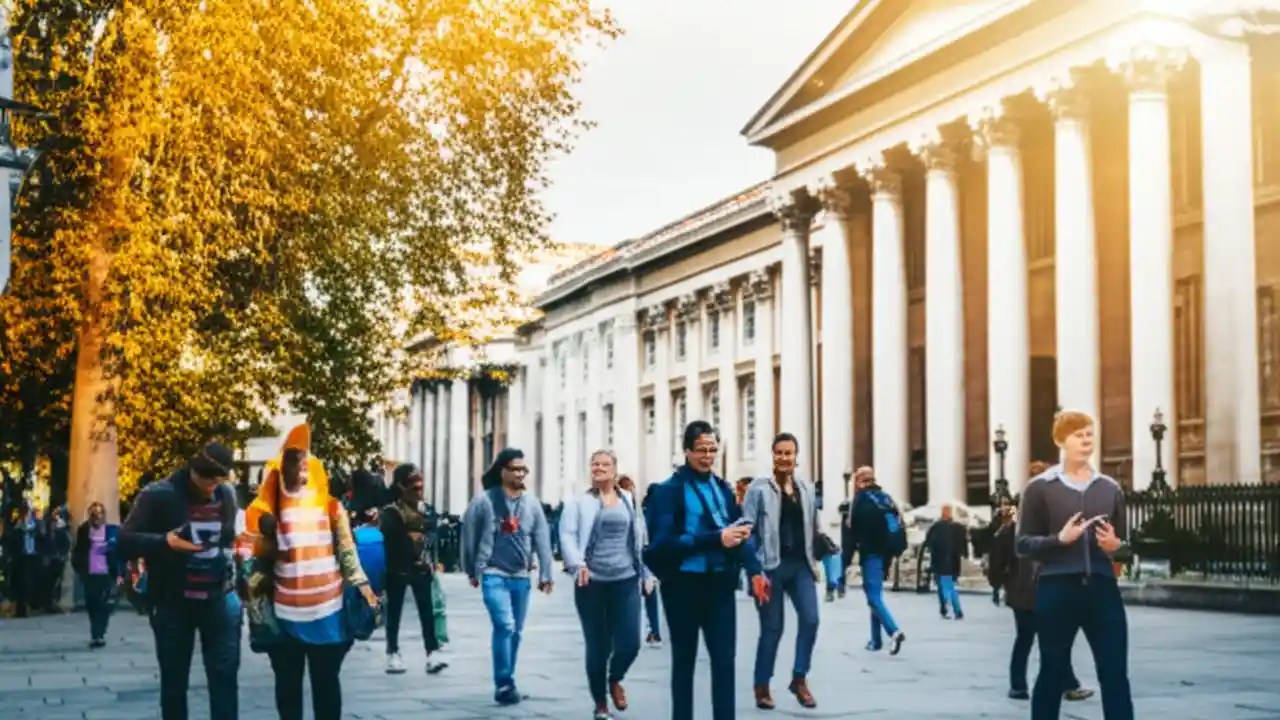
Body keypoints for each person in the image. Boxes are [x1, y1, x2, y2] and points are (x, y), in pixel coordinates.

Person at [243, 424, 377, 720]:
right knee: (288, 689)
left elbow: (347, 554)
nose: (302, 463)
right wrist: (264, 535)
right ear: (279, 469)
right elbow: (250, 553)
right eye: (293, 458)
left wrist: (366, 591)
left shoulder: (331, 508)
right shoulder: (266, 511)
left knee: (326, 684)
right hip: (284, 617)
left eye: (305, 458)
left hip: (328, 613)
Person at [643, 420, 766, 720]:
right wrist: (715, 539)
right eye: (701, 450)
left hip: (720, 585)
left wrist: (755, 570)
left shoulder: (723, 489)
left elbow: (739, 531)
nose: (708, 456)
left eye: (713, 449)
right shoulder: (667, 491)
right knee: (684, 661)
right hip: (683, 585)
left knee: (725, 661)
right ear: (686, 451)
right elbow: (663, 543)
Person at [1016, 410, 1131, 720]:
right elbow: (1022, 544)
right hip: (1057, 588)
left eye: (1089, 434)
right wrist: (1059, 540)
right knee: (1052, 671)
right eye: (1078, 434)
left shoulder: (1109, 488)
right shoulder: (1040, 488)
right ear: (1060, 440)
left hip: (1103, 589)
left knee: (1115, 673)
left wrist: (1116, 548)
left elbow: (1127, 549)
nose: (1086, 440)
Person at [119, 442, 242, 720]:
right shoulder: (159, 494)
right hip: (173, 601)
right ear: (192, 470)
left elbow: (228, 539)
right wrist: (165, 542)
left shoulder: (227, 495)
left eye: (218, 479)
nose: (211, 485)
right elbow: (124, 541)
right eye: (205, 478)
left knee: (224, 680)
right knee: (174, 683)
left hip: (219, 598)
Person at [560, 451, 652, 720]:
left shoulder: (627, 500)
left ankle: (615, 678)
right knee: (598, 645)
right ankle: (600, 704)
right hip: (592, 583)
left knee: (630, 643)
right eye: (595, 464)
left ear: (614, 470)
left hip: (624, 579)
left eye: (604, 464)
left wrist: (646, 573)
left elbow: (639, 539)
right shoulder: (580, 502)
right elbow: (567, 535)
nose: (598, 468)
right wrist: (578, 565)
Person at [460, 447, 554, 706]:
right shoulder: (485, 501)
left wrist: (546, 574)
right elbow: (468, 535)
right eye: (515, 469)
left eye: (523, 469)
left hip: (521, 576)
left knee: (516, 631)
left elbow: (543, 540)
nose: (520, 473)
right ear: (502, 471)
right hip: (493, 573)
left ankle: (508, 680)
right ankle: (503, 682)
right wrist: (471, 568)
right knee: (505, 626)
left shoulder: (532, 504)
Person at [741, 432, 821, 710]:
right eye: (780, 453)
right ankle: (762, 686)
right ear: (773, 455)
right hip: (770, 567)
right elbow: (746, 530)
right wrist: (754, 571)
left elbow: (814, 527)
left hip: (800, 565)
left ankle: (799, 678)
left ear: (796, 457)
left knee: (811, 619)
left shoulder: (807, 489)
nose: (785, 458)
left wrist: (819, 560)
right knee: (772, 629)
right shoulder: (759, 489)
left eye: (789, 453)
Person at [988, 495, 1094, 702]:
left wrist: (998, 584)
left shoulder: (1014, 532)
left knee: (1032, 641)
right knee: (1042, 640)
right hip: (1038, 592)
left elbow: (996, 564)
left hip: (1029, 592)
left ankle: (1022, 686)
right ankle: (1063, 685)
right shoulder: (1033, 532)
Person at [382, 463, 448, 676]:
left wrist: (418, 540)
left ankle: (432, 652)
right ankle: (393, 652)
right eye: (413, 487)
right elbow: (395, 538)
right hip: (397, 568)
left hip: (421, 567)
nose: (419, 491)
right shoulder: (391, 511)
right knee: (394, 611)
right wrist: (412, 539)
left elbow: (431, 534)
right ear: (401, 487)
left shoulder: (426, 509)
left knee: (427, 611)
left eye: (421, 486)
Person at [847, 466, 906, 655]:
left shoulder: (861, 499)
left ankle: (894, 631)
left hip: (871, 553)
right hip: (887, 553)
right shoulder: (886, 498)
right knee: (875, 596)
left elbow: (852, 530)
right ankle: (875, 640)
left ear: (858, 481)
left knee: (873, 597)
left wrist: (846, 560)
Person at [72, 501, 122, 647]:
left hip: (107, 573)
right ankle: (96, 632)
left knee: (105, 605)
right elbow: (78, 551)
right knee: (92, 604)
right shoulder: (84, 530)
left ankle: (99, 633)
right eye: (94, 514)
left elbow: (118, 553)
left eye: (100, 514)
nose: (97, 517)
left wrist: (119, 573)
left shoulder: (112, 531)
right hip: (90, 573)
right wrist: (80, 569)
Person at [923, 504, 968, 619]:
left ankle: (947, 608)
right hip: (953, 562)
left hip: (940, 562)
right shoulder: (959, 528)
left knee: (944, 587)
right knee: (950, 586)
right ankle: (955, 609)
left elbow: (929, 543)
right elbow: (964, 545)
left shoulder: (936, 527)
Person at [639, 481, 663, 649]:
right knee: (651, 596)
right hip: (654, 559)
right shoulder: (659, 514)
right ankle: (654, 630)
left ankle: (653, 630)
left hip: (643, 559)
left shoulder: (644, 514)